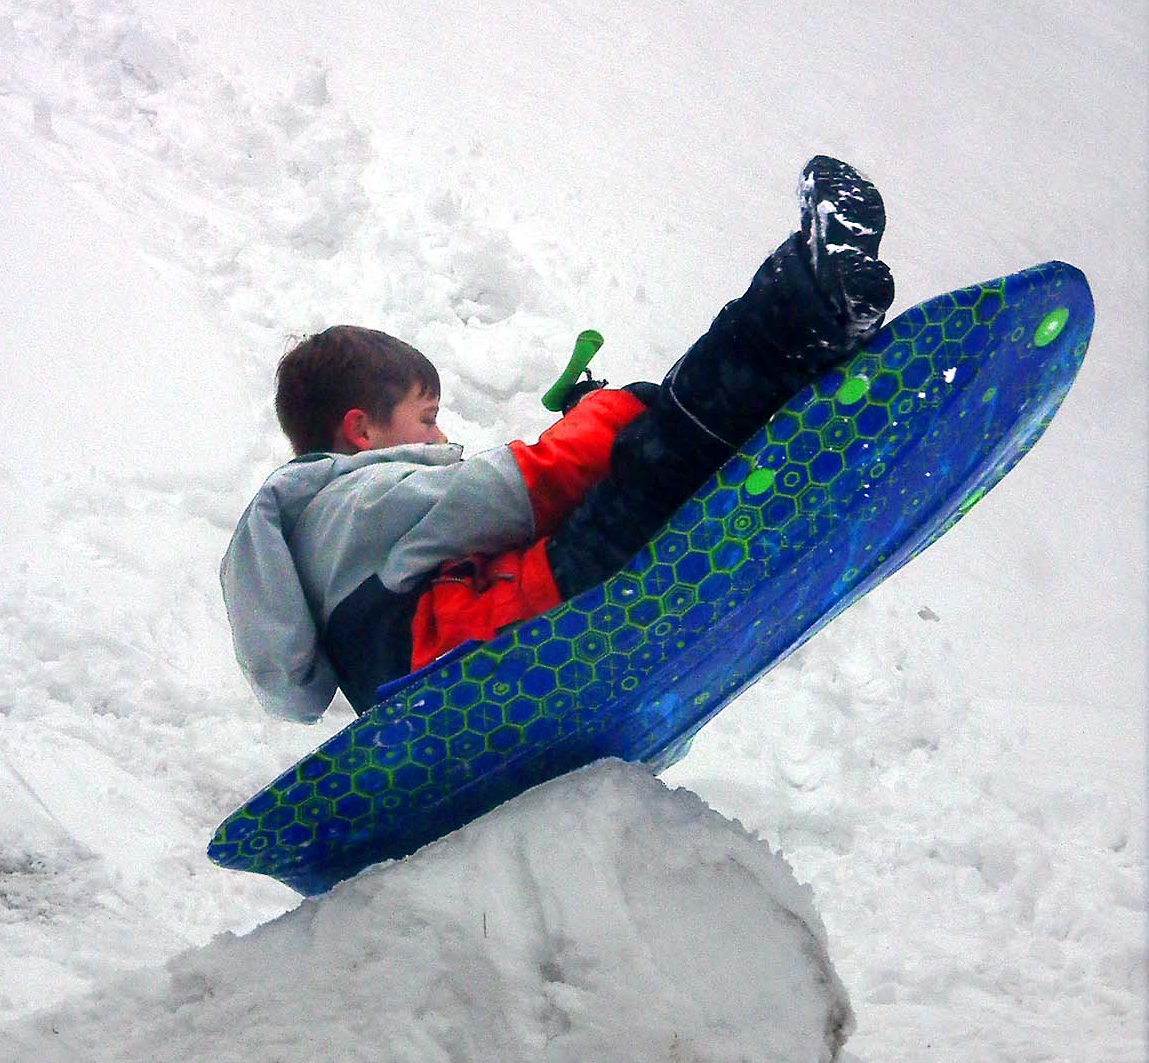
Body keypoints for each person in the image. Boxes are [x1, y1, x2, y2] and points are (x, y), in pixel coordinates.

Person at [221, 157, 894, 721]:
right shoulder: (355, 502)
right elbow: (524, 485)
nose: (440, 436)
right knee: (665, 441)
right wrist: (618, 410)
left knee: (667, 470)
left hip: (464, 683)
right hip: (530, 625)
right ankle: (805, 297)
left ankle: (805, 332)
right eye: (426, 419)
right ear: (360, 430)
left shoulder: (317, 556)